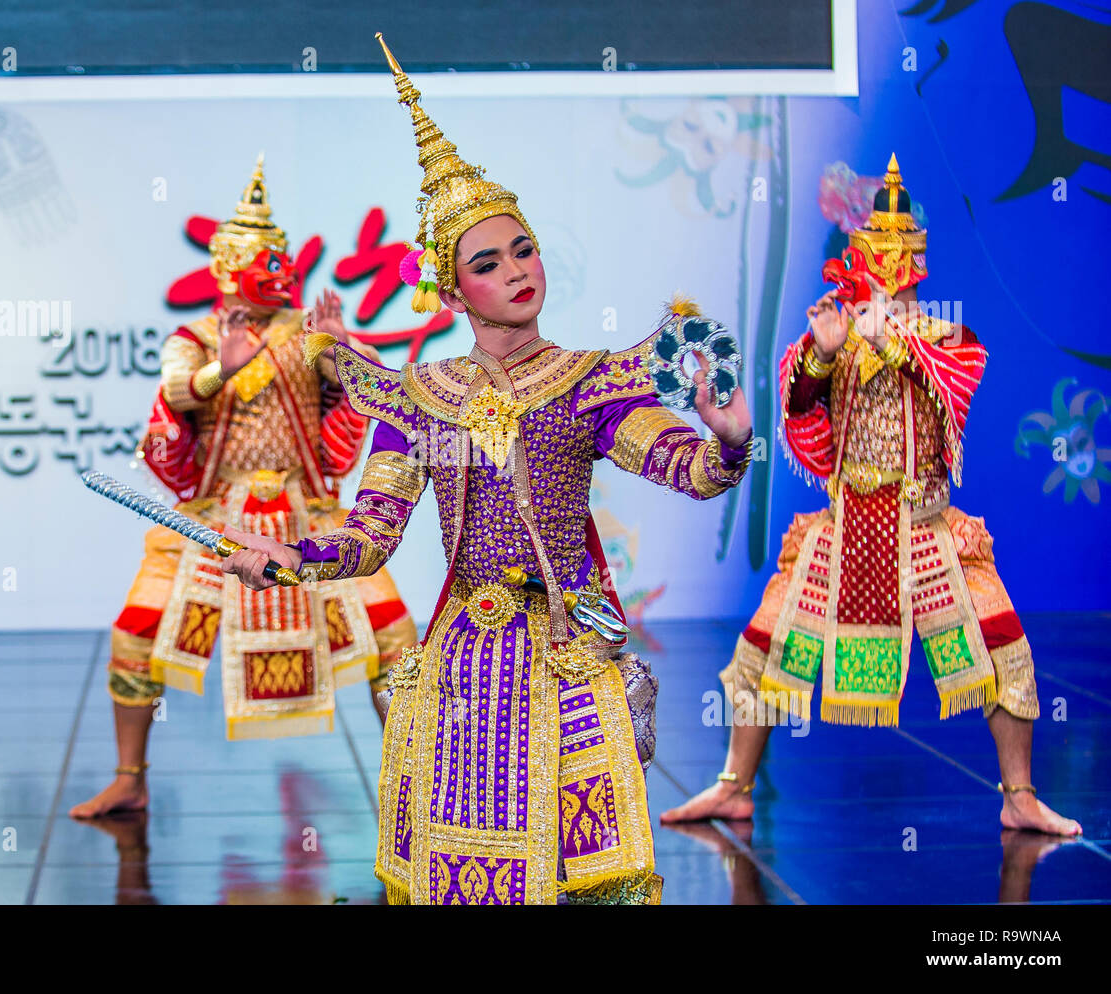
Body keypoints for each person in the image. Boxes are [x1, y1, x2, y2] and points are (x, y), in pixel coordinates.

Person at [218, 36, 753, 904]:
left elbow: (690, 470)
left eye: (525, 249)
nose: (517, 271)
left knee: (590, 879)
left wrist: (729, 442)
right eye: (488, 262)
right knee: (463, 874)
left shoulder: (593, 382)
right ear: (452, 289)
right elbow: (369, 538)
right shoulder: (420, 397)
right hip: (467, 660)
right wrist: (283, 559)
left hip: (570, 654)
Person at [661, 156, 1081, 837]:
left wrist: (893, 339)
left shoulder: (948, 338)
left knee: (1005, 647)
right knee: (763, 648)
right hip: (842, 528)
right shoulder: (833, 334)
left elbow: (952, 387)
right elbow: (798, 401)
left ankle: (1020, 794)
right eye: (876, 249)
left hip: (927, 528)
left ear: (917, 258)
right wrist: (827, 353)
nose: (888, 262)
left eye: (899, 250)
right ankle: (734, 786)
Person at [71, 154, 415, 819]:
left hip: (308, 514)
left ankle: (410, 785)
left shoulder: (309, 333)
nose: (282, 275)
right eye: (268, 263)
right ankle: (130, 777)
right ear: (231, 268)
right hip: (212, 517)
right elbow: (175, 390)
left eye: (284, 262)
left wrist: (343, 349)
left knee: (394, 635)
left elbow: (376, 388)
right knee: (134, 633)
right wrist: (219, 374)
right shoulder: (196, 336)